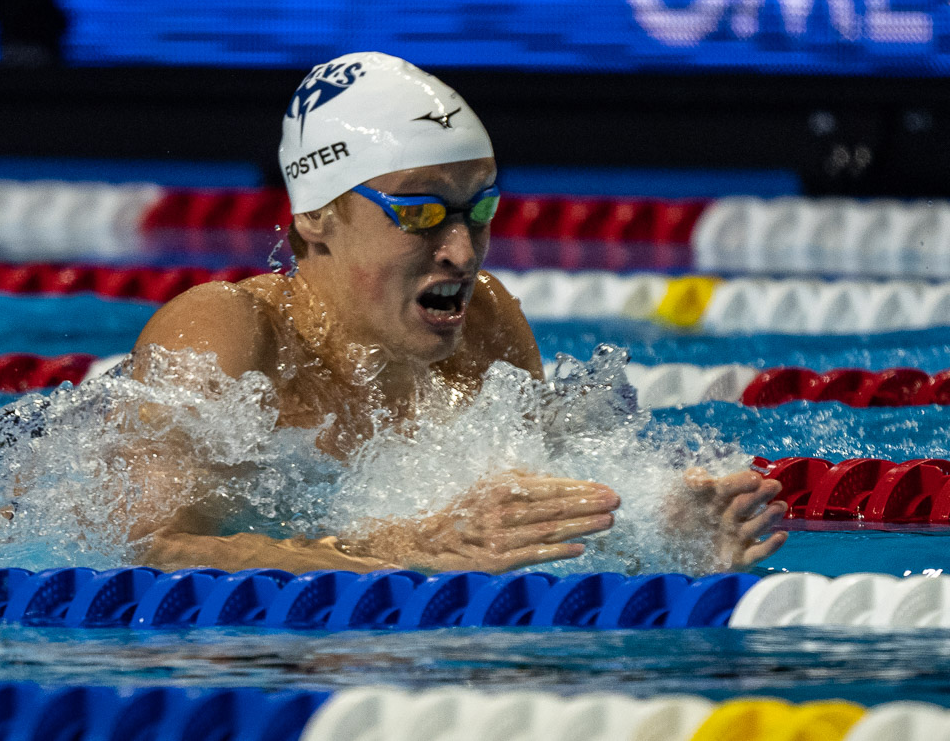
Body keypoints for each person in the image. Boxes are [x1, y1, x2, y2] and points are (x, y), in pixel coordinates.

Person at [129, 52, 787, 574]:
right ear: (316, 215)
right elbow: (152, 553)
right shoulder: (226, 334)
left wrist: (657, 540)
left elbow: (523, 529)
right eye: (418, 213)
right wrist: (401, 549)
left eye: (480, 210)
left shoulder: (486, 325)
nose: (463, 253)